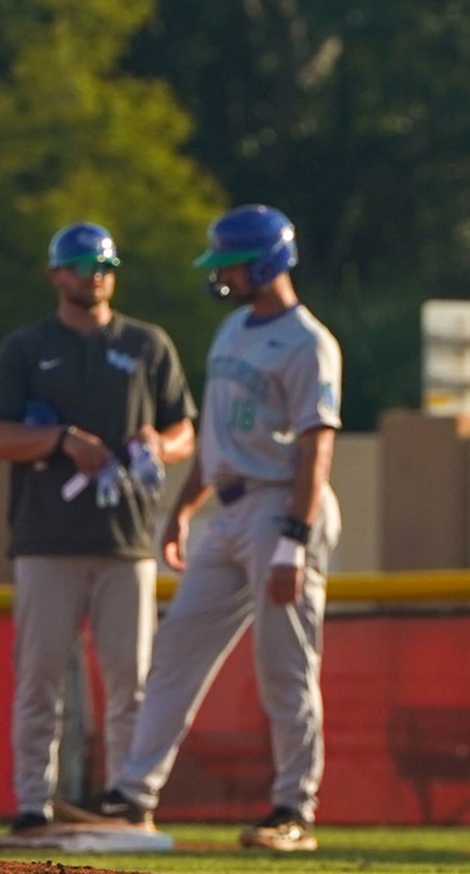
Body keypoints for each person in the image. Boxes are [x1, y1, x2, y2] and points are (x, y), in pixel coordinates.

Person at [97, 205, 342, 853]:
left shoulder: (308, 341)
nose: (222, 275)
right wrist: (183, 507)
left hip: (282, 505)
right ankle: (132, 793)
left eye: (230, 263)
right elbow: (214, 437)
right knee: (176, 650)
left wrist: (294, 534)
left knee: (284, 663)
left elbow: (317, 446)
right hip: (230, 507)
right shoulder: (234, 328)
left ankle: (295, 807)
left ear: (265, 262)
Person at [0, 223, 195, 840]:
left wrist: (159, 442)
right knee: (40, 679)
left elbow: (184, 429)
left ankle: (130, 798)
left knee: (130, 683)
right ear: (56, 275)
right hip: (47, 536)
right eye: (79, 265)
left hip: (126, 539)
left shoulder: (147, 344)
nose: (92, 276)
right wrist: (61, 441)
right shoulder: (27, 348)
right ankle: (31, 802)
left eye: (102, 265)